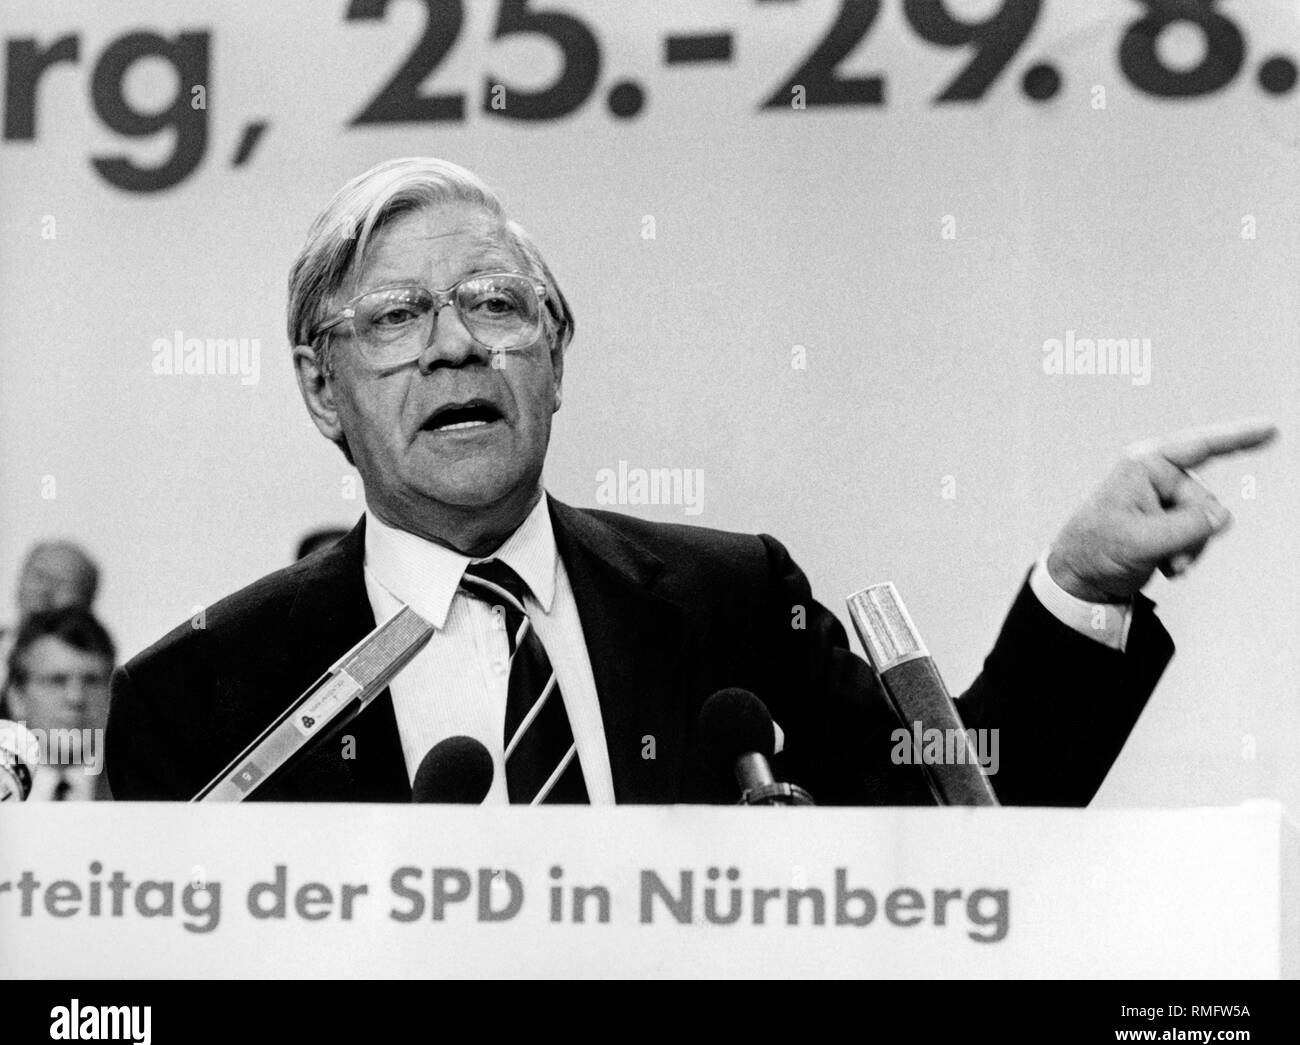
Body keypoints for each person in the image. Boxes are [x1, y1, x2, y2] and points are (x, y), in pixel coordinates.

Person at [105, 157, 1276, 805]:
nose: (456, 345)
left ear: (558, 357)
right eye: (398, 317)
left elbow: (965, 823)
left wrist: (1078, 586)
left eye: (496, 304)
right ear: (322, 391)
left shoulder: (732, 600)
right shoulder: (202, 693)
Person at [5, 607, 115, 801]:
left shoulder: (145, 791)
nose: (76, 698)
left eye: (91, 681)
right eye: (57, 681)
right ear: (17, 698)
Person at [0, 540, 100, 702]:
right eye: (39, 576)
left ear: (88, 598)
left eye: (62, 583)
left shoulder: (97, 678)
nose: (45, 590)